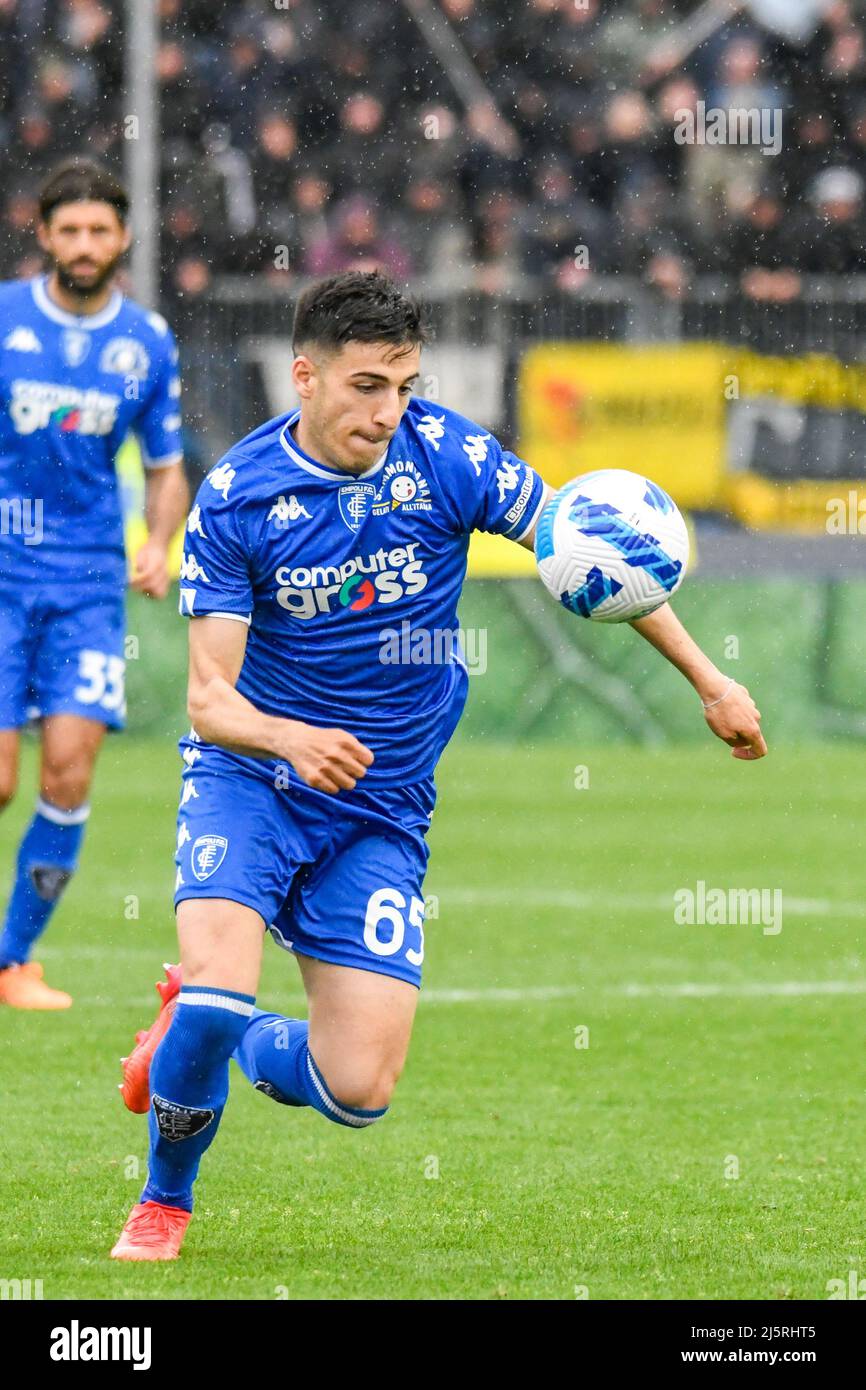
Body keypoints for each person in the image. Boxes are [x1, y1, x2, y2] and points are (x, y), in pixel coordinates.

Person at [110, 270, 766, 1261]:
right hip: (252, 780)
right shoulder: (239, 497)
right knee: (219, 985)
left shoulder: (446, 454)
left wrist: (708, 681)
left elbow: (586, 546)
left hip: (380, 809)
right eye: (368, 385)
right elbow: (210, 699)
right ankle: (164, 1202)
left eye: (404, 384)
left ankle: (203, 1034)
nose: (389, 409)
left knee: (356, 1090)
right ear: (305, 377)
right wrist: (289, 739)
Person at [0, 158, 188, 1009]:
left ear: (124, 238)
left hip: (86, 586)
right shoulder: (4, 319)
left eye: (98, 230)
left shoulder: (146, 340)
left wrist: (159, 541)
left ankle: (12, 963)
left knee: (67, 778)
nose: (83, 245)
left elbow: (166, 464)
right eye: (67, 230)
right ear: (43, 234)